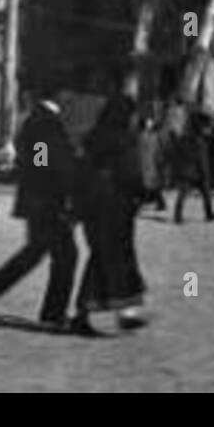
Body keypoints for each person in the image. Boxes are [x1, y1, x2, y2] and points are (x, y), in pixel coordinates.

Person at [0, 92, 78, 330]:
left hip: (40, 203)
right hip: (46, 204)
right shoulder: (43, 127)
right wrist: (56, 198)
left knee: (34, 254)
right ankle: (53, 312)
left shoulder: (38, 124)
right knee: (65, 256)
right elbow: (41, 166)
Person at [71, 94, 148, 335]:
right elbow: (131, 173)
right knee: (120, 257)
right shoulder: (125, 139)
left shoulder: (92, 137)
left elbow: (80, 170)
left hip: (93, 206)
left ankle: (94, 313)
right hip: (116, 204)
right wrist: (144, 193)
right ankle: (122, 313)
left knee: (100, 256)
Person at [170, 112, 214, 223]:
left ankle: (177, 216)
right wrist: (206, 174)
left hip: (187, 170)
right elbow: (203, 161)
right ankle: (209, 214)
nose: (209, 130)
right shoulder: (200, 142)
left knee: (183, 193)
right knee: (205, 192)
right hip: (197, 172)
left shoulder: (186, 137)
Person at [136, 117, 167, 212]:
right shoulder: (152, 136)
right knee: (152, 185)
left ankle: (142, 205)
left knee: (147, 185)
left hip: (147, 163)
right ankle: (160, 203)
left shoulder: (144, 137)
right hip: (149, 163)